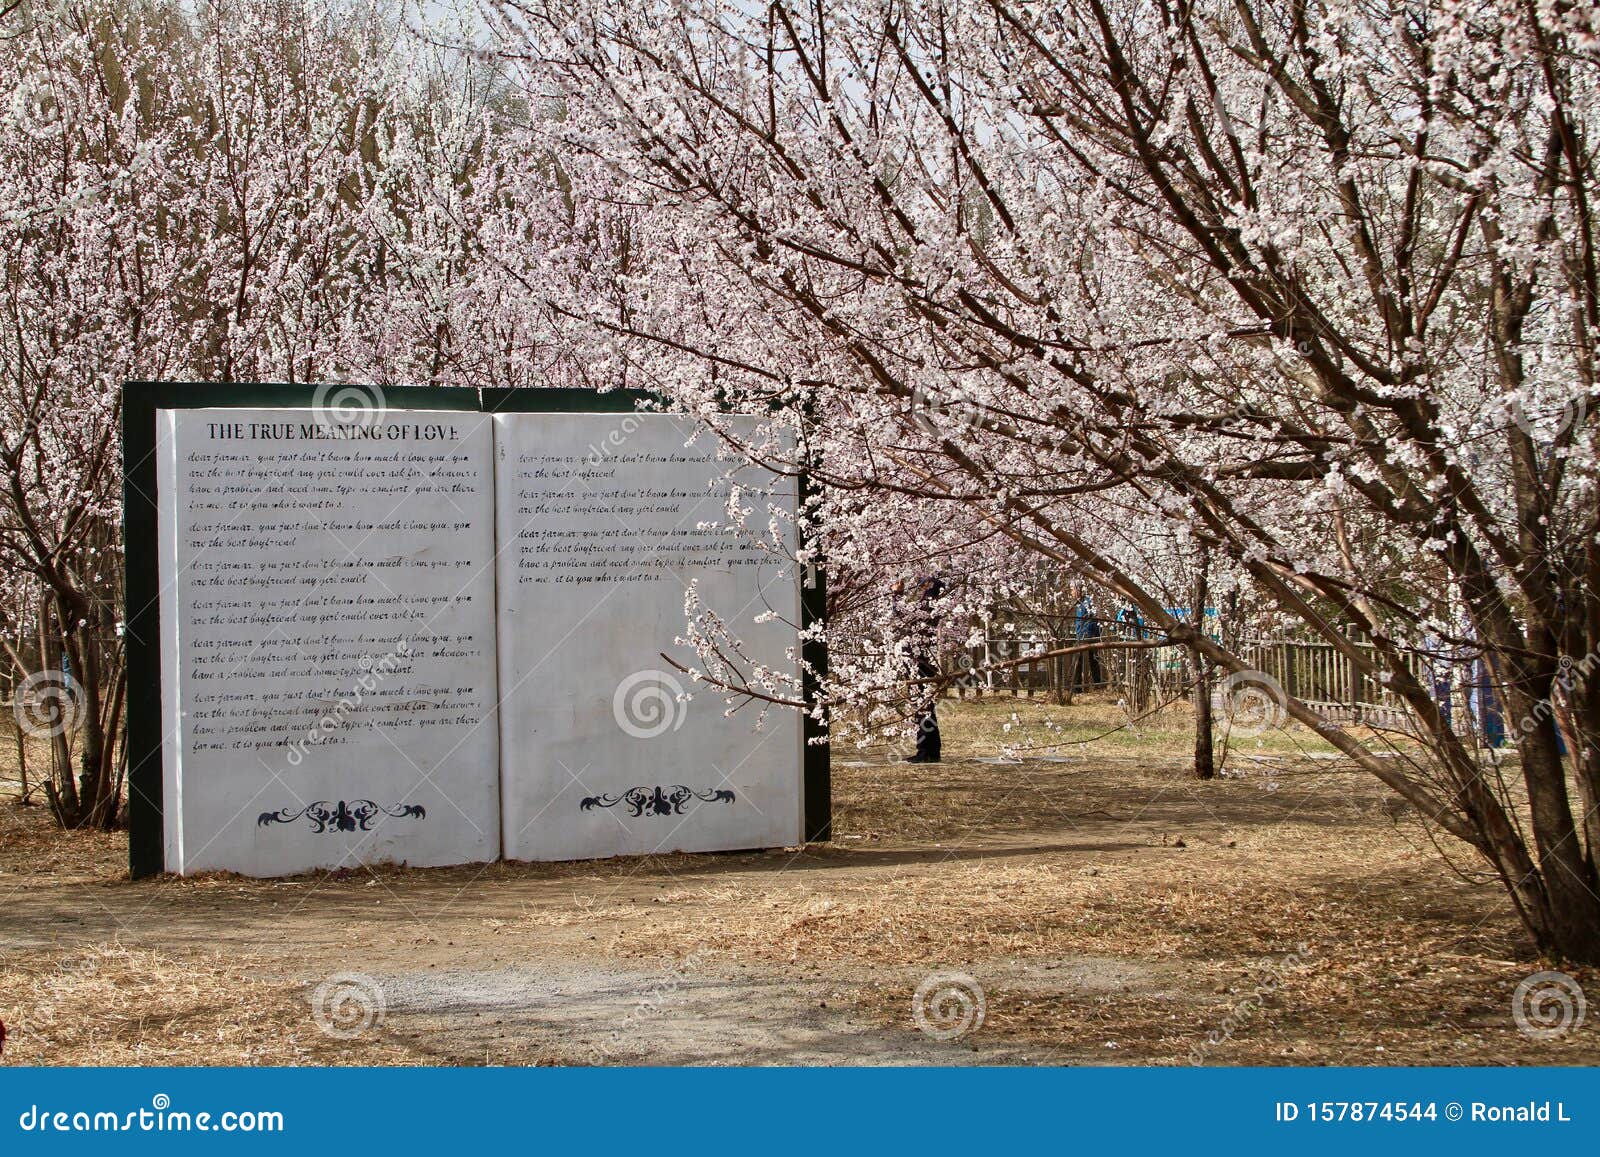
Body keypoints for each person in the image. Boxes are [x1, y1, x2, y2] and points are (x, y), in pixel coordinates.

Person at [894, 573, 944, 763]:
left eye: (925, 586)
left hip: (918, 662)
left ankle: (925, 751)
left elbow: (902, 615)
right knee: (926, 708)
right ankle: (931, 751)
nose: (921, 590)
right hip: (921, 661)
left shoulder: (928, 607)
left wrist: (897, 595)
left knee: (922, 707)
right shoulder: (933, 606)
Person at [1072, 584, 1103, 691]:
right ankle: (1080, 687)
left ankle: (1082, 687)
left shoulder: (1086, 603)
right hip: (1083, 635)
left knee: (1089, 659)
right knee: (1087, 659)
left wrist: (1086, 636)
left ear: (1078, 590)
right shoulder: (1080, 603)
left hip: (1088, 636)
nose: (1072, 593)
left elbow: (1092, 620)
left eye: (1073, 590)